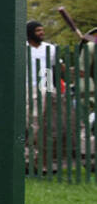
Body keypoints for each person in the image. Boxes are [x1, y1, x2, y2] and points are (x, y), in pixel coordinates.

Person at [25, 20, 64, 172]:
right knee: (32, 123)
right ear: (30, 33)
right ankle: (30, 158)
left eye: (42, 30)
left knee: (47, 125)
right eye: (38, 31)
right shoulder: (22, 47)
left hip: (47, 87)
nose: (41, 33)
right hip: (29, 87)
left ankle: (44, 160)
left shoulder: (50, 48)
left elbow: (58, 66)